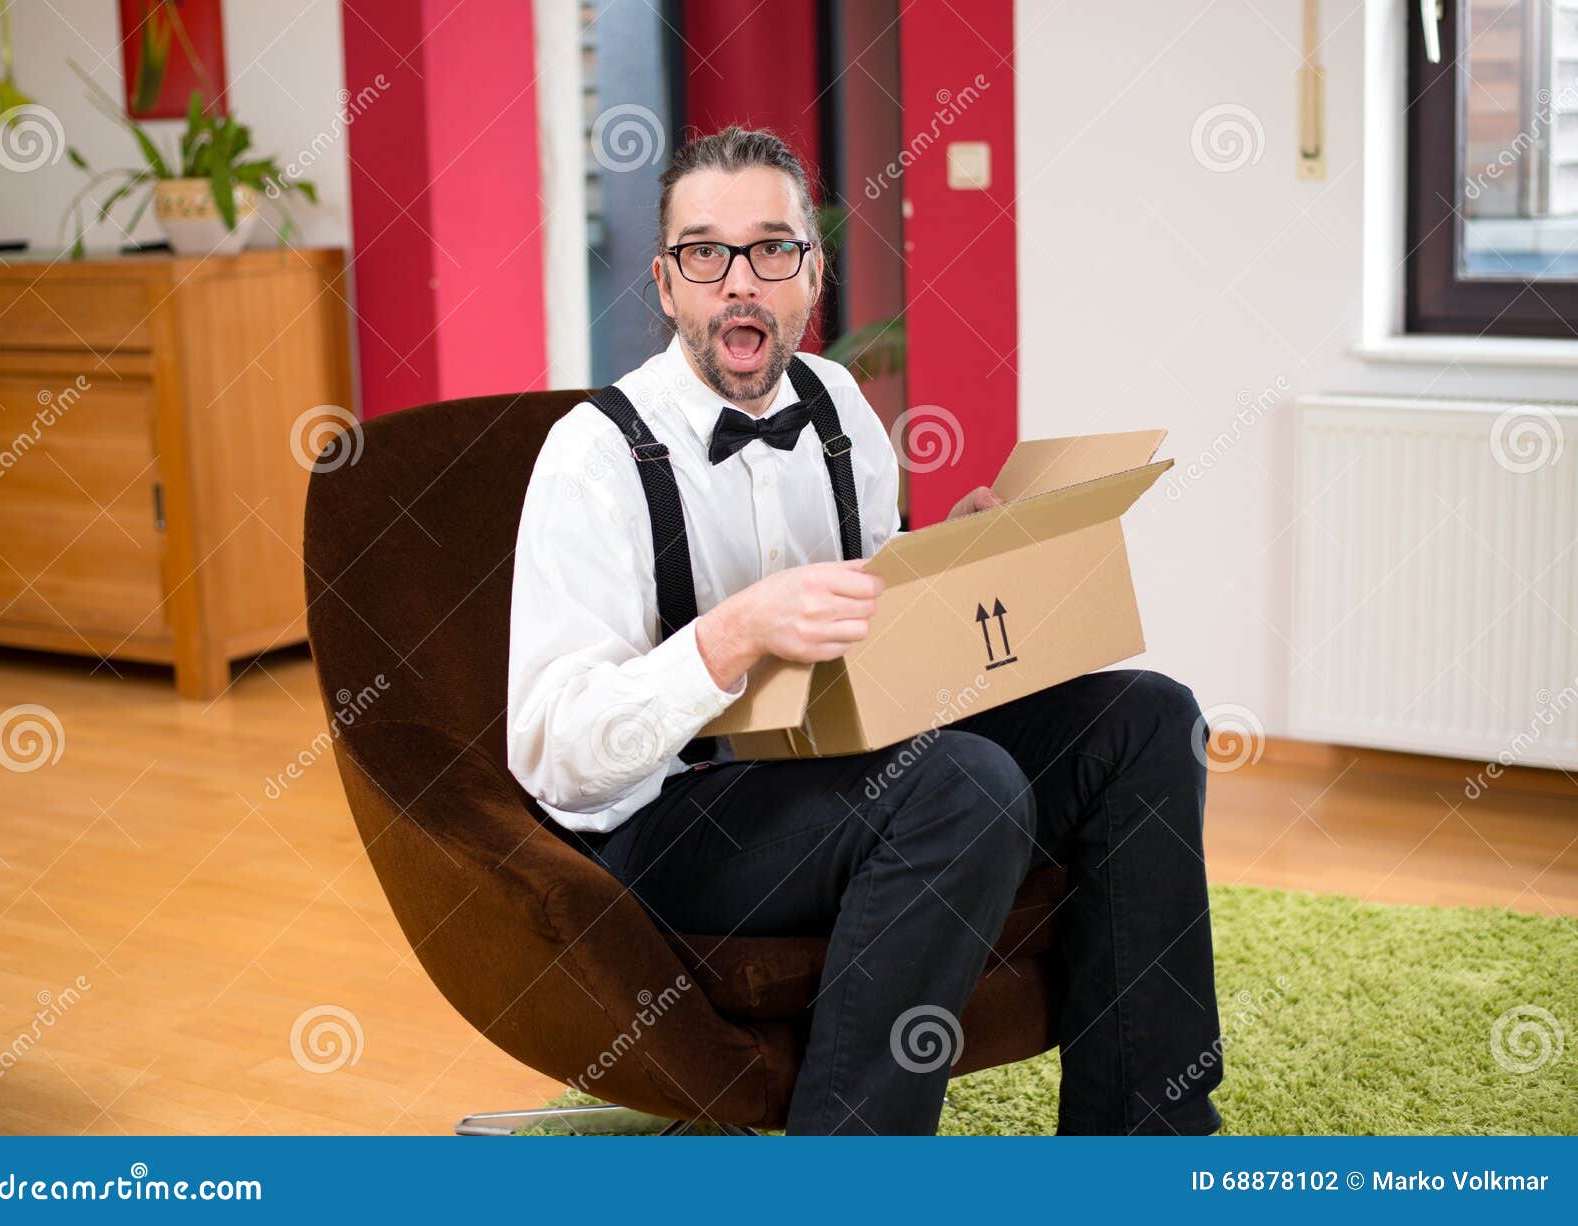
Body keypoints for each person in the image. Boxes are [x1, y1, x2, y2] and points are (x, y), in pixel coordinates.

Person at [506, 124, 1222, 1136]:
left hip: (833, 760)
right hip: (669, 820)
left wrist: (946, 558)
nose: (739, 281)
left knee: (1148, 718)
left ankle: (1143, 1141)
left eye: (772, 249)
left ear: (813, 272)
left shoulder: (836, 406)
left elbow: (872, 625)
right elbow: (555, 754)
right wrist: (731, 635)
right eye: (705, 253)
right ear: (666, 283)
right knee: (963, 781)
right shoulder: (592, 458)